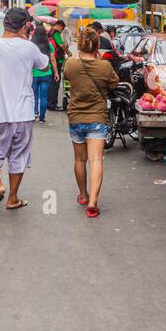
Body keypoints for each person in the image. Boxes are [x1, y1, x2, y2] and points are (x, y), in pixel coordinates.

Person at [0, 7, 49, 212]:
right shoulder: (30, 48)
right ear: (24, 26)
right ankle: (12, 198)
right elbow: (44, 65)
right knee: (19, 154)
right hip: (23, 113)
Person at [63, 25, 118, 218]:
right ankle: (93, 202)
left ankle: (83, 194)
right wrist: (100, 62)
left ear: (79, 44)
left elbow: (68, 77)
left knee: (79, 159)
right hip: (97, 118)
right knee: (96, 160)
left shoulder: (70, 63)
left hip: (76, 117)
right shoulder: (105, 66)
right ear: (97, 47)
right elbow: (114, 82)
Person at [31, 23, 55, 123]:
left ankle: (34, 113)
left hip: (34, 74)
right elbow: (53, 60)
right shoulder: (49, 45)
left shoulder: (31, 45)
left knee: (34, 95)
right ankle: (42, 118)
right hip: (46, 73)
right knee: (44, 96)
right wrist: (56, 72)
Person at [48, 19, 69, 111]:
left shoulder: (49, 32)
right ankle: (53, 105)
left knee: (51, 82)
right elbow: (61, 45)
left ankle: (49, 103)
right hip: (56, 61)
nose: (61, 31)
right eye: (62, 29)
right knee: (55, 83)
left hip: (50, 61)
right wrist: (68, 52)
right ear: (60, 26)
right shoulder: (55, 33)